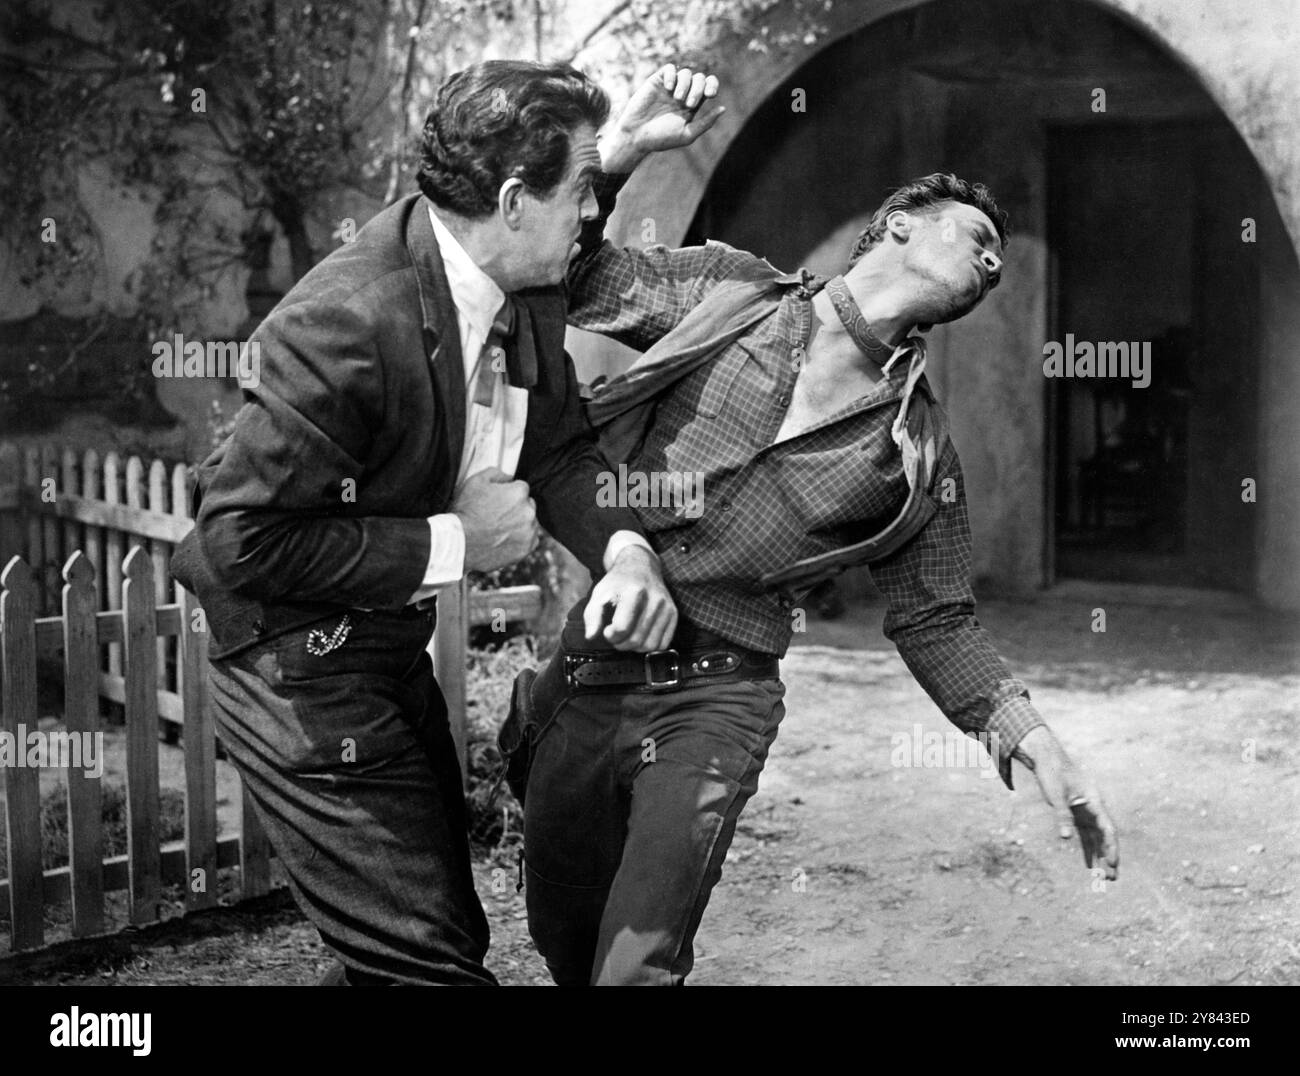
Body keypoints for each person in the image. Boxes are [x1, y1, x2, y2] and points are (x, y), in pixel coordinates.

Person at [516, 66, 1120, 986]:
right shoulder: (731, 295)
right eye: (979, 237)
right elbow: (579, 276)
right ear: (901, 222)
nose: (994, 264)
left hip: (720, 697)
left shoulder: (916, 454)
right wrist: (623, 156)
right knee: (564, 943)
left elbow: (937, 619)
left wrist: (1037, 743)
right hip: (590, 668)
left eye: (1000, 260)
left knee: (635, 965)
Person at [169, 60, 694, 985]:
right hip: (292, 660)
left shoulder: (519, 273)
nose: (590, 213)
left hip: (381, 641)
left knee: (413, 944)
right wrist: (457, 542)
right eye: (579, 190)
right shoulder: (348, 320)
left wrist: (626, 550)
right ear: (513, 201)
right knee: (429, 964)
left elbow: (563, 450)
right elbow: (235, 541)